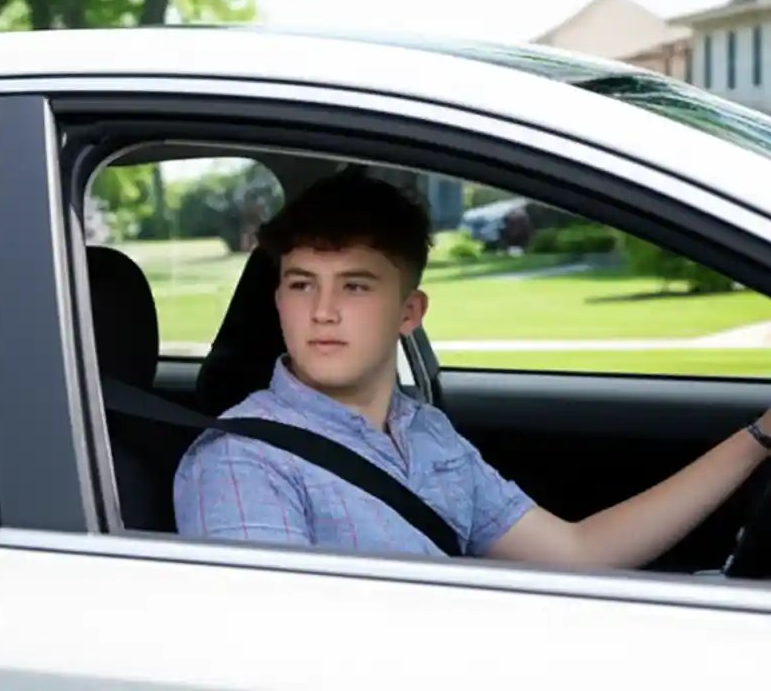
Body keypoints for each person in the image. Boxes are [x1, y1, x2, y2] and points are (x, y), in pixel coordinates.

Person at [174, 170, 771, 568]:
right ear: (279, 299)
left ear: (409, 313)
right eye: (302, 285)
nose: (322, 311)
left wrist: (759, 437)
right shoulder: (242, 461)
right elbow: (274, 660)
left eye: (355, 286)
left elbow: (578, 551)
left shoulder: (427, 434)